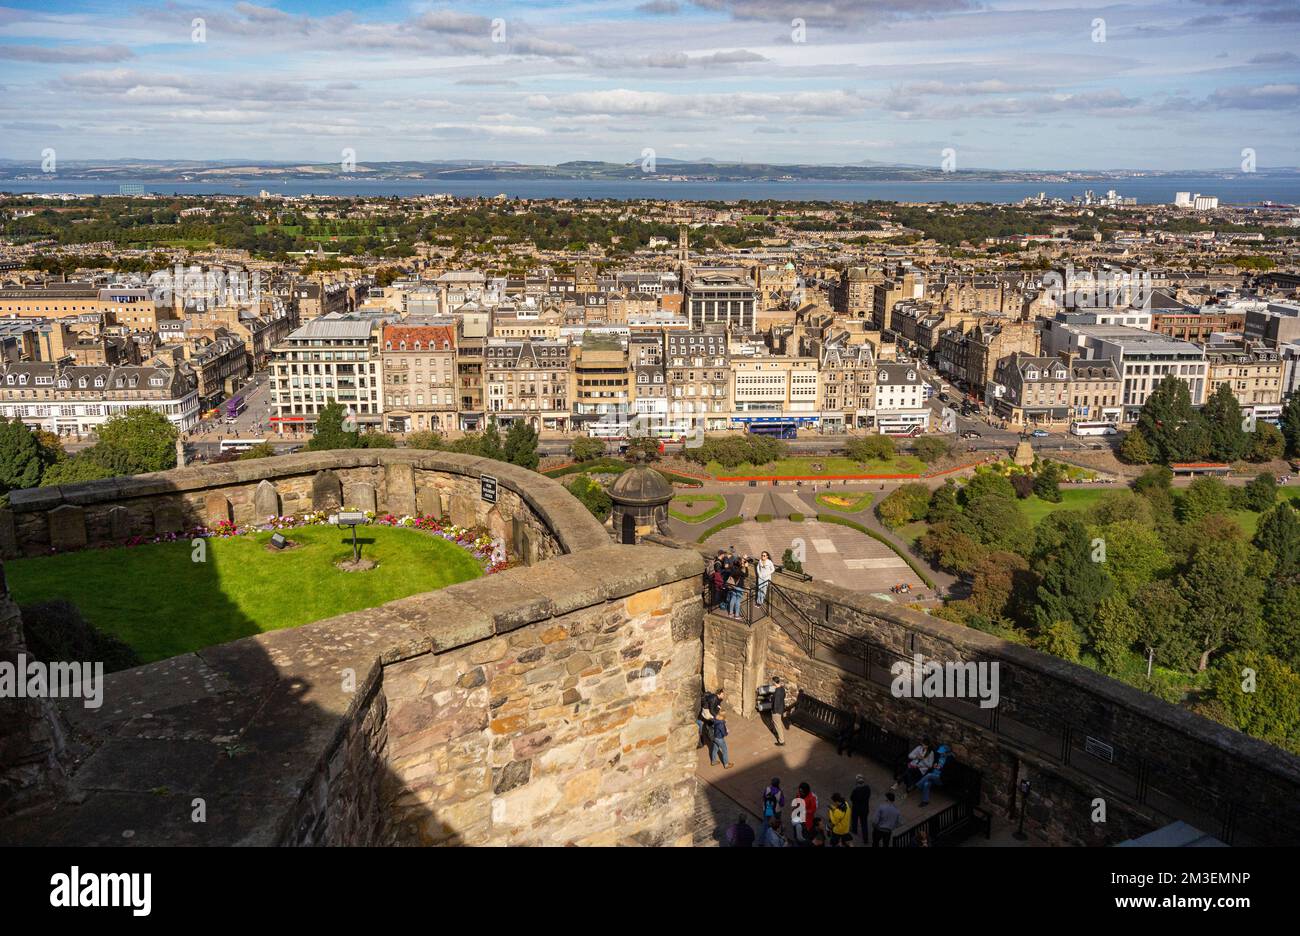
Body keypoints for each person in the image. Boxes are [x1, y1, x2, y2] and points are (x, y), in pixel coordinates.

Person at [849, 774, 872, 844]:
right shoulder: (867, 788)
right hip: (865, 808)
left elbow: (851, 798)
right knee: (864, 823)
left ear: (857, 782)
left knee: (854, 820)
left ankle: (854, 831)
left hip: (856, 808)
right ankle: (866, 839)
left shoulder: (856, 790)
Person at [768, 675, 787, 746]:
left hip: (777, 711)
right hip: (781, 708)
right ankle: (775, 730)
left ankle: (781, 741)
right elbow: (784, 696)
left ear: (774, 682)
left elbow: (776, 703)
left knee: (778, 725)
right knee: (777, 723)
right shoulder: (782, 689)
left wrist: (774, 711)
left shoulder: (777, 693)